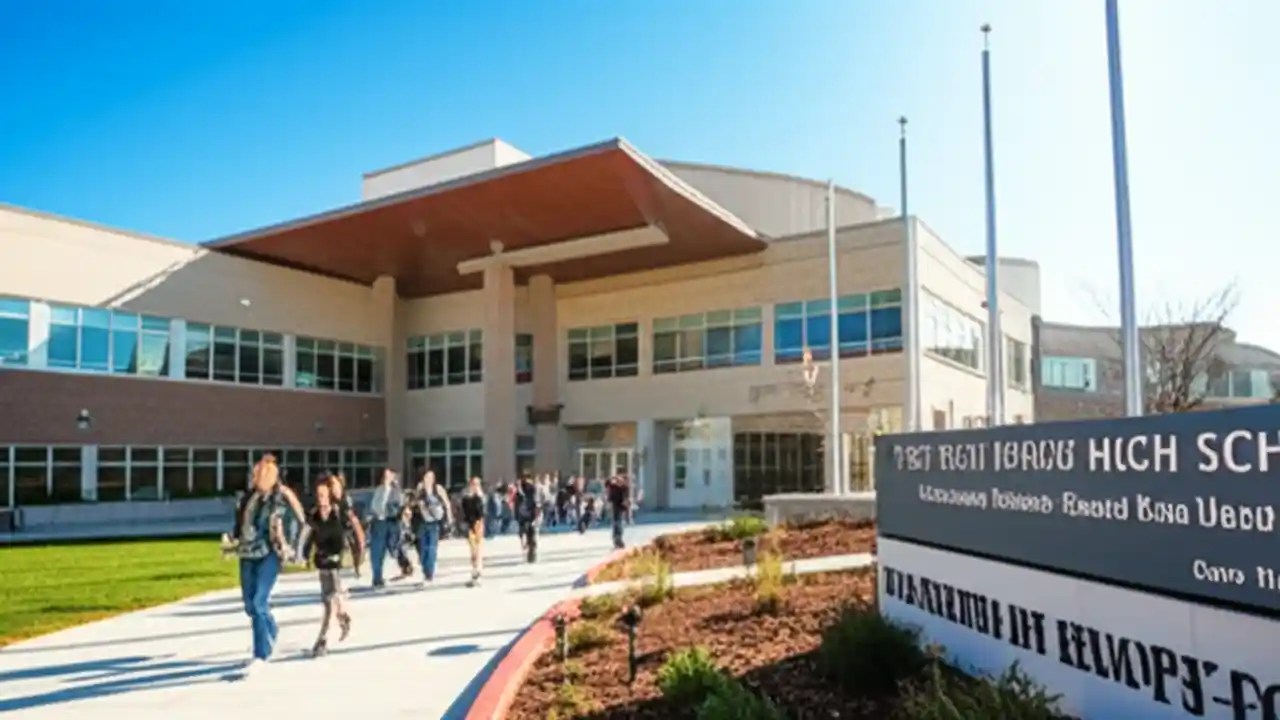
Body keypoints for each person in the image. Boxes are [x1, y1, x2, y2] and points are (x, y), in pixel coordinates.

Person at [224, 454, 306, 677]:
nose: (253, 478)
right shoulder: (247, 498)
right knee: (251, 606)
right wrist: (232, 539)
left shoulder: (279, 496)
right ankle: (270, 629)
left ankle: (261, 653)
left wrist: (292, 548)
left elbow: (298, 520)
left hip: (269, 554)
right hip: (246, 553)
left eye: (258, 474)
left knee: (260, 601)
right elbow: (240, 525)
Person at [307, 480, 353, 658]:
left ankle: (322, 640)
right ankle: (343, 616)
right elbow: (308, 537)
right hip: (322, 563)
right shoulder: (314, 516)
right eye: (318, 495)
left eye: (323, 495)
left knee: (329, 604)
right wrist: (304, 554)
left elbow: (348, 532)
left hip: (335, 563)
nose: (321, 499)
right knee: (332, 601)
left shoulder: (338, 512)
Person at [366, 468, 404, 589]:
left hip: (391, 522)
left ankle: (403, 565)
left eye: (389, 475)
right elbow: (373, 505)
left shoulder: (397, 491)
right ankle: (377, 577)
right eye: (385, 475)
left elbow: (400, 506)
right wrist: (373, 515)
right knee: (376, 551)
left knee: (394, 548)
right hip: (379, 522)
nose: (387, 477)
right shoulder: (378, 490)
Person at [413, 470, 452, 584]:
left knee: (432, 548)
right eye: (426, 477)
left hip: (435, 522)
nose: (428, 480)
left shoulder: (438, 489)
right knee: (423, 549)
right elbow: (413, 504)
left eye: (431, 477)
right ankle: (426, 571)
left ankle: (429, 574)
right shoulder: (420, 489)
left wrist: (449, 518)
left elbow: (447, 503)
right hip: (422, 522)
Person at [328, 473, 365, 578]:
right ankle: (336, 569)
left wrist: (355, 526)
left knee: (356, 547)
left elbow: (351, 514)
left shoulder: (345, 498)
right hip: (336, 527)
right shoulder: (331, 499)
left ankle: (357, 567)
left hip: (347, 526)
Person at [461, 476, 487, 587]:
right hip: (470, 525)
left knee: (478, 549)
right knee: (473, 550)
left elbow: (482, 513)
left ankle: (478, 571)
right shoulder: (466, 498)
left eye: (477, 484)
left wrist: (478, 497)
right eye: (473, 484)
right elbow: (464, 512)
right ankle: (475, 571)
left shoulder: (481, 498)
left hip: (478, 524)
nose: (475, 486)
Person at [515, 474, 543, 562]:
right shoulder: (520, 491)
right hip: (524, 516)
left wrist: (536, 515)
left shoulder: (533, 490)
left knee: (531, 534)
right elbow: (517, 504)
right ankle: (529, 550)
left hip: (530, 516)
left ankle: (531, 552)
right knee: (526, 534)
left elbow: (537, 503)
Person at [606, 475, 631, 549]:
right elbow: (607, 483)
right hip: (615, 506)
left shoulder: (625, 488)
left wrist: (627, 507)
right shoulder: (614, 487)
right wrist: (612, 478)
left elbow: (626, 497)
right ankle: (616, 539)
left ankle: (618, 538)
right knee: (616, 522)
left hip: (621, 507)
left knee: (618, 522)